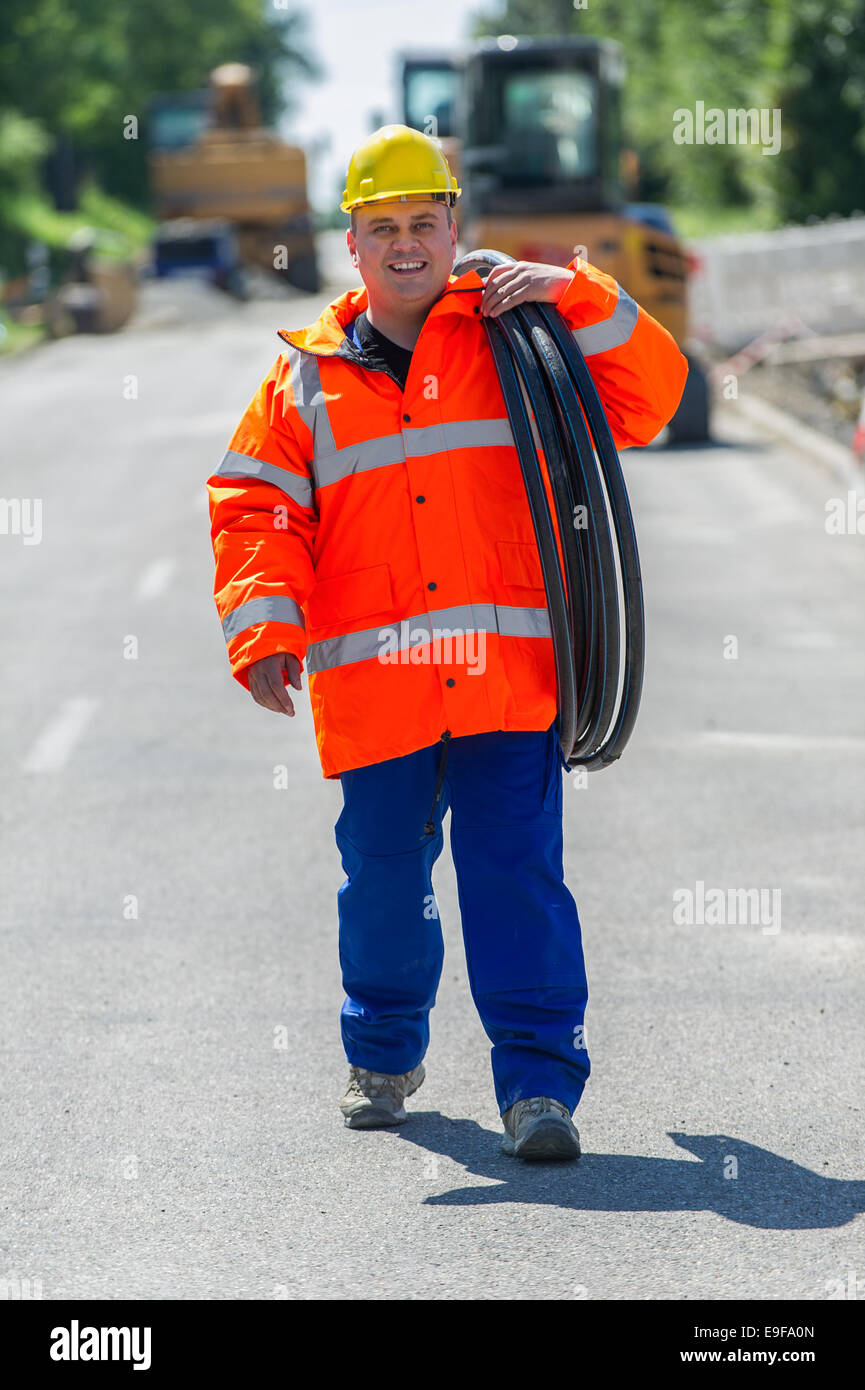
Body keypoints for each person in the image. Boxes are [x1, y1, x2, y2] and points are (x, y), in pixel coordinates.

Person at [206, 125, 688, 1161]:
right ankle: (382, 1055)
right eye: (385, 227)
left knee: (513, 871)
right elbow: (253, 507)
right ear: (353, 243)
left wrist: (579, 296)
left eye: (425, 222)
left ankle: (538, 1087)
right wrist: (263, 626)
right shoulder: (303, 380)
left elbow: (652, 399)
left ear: (454, 224)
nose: (407, 243)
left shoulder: (523, 336)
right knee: (383, 877)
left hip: (505, 679)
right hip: (376, 689)